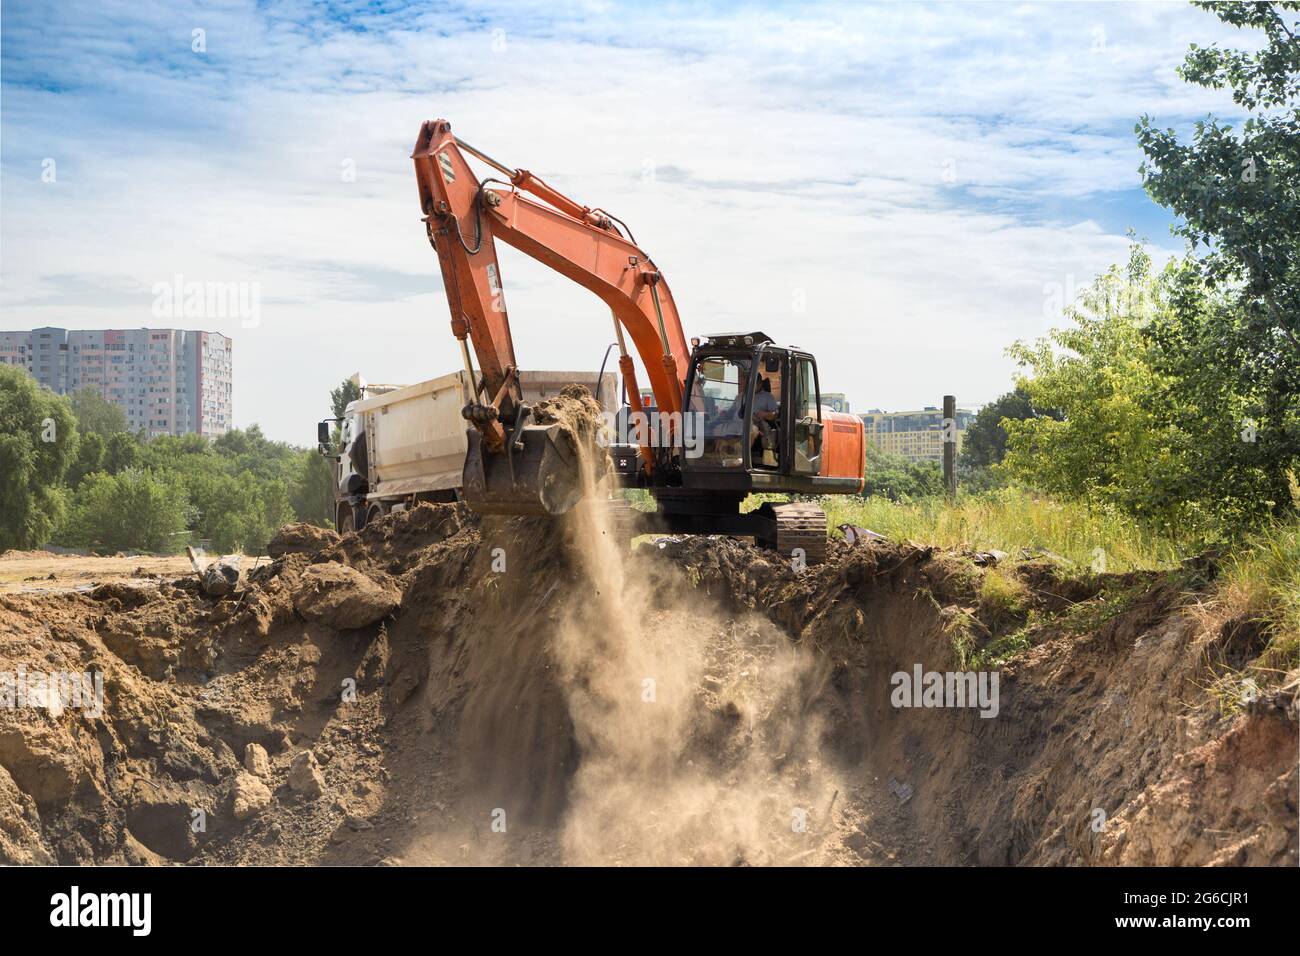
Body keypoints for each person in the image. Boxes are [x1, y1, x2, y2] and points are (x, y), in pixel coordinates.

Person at [751, 376, 779, 465]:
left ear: (760, 383)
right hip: (740, 422)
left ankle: (746, 457)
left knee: (751, 430)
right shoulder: (744, 395)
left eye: (755, 383)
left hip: (757, 424)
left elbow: (774, 415)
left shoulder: (768, 397)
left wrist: (763, 414)